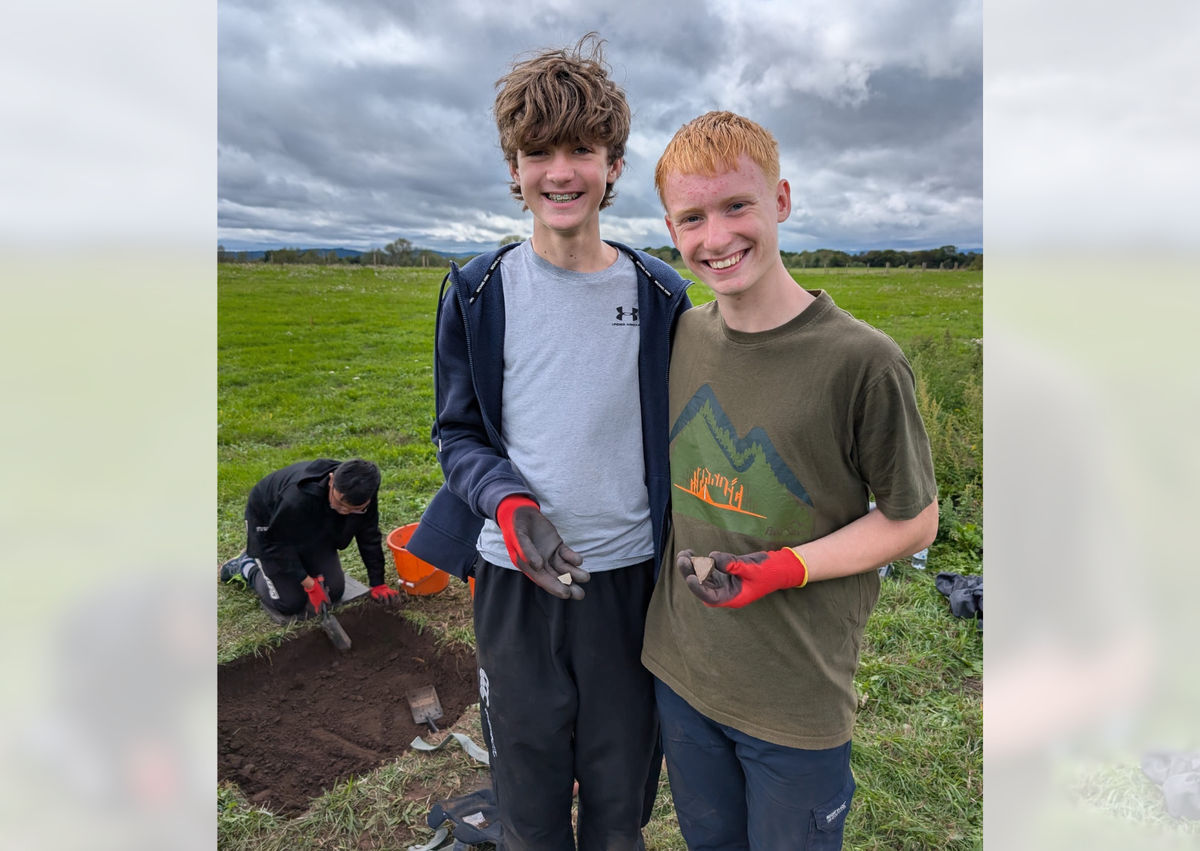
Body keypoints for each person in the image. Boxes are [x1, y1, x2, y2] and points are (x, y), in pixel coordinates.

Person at [405, 34, 692, 850]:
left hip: (630, 585)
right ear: (514, 168)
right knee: (529, 808)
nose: (560, 171)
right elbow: (457, 433)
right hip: (511, 581)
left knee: (619, 804)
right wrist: (512, 502)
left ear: (613, 166)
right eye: (539, 152)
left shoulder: (660, 293)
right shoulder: (476, 291)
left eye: (581, 150)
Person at [641, 111, 939, 850]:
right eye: (692, 217)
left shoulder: (861, 361)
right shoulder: (678, 336)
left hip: (794, 699)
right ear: (671, 228)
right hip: (683, 672)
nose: (716, 237)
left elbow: (914, 520)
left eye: (737, 205)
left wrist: (785, 567)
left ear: (780, 200)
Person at [219, 458, 400, 615]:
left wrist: (378, 583)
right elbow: (276, 543)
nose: (345, 511)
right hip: (270, 529)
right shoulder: (296, 498)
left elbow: (369, 536)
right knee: (290, 603)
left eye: (354, 509)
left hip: (312, 527)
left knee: (334, 591)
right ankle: (246, 566)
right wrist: (308, 583)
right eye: (340, 503)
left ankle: (301, 563)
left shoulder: (363, 493)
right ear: (331, 481)